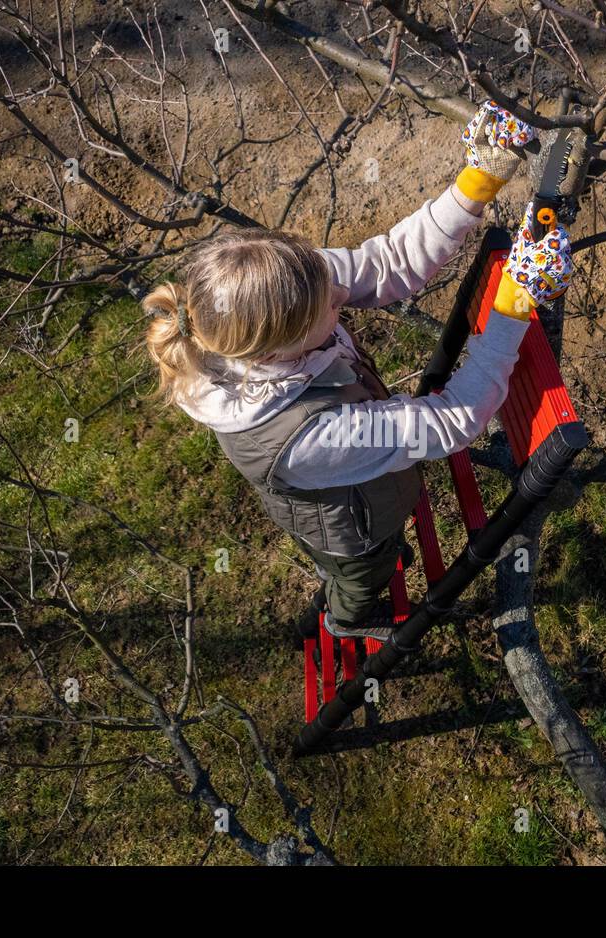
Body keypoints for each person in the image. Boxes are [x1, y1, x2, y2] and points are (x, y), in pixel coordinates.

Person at [143, 101, 573, 644]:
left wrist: (476, 183)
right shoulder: (301, 438)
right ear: (284, 350)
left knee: (364, 548)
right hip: (350, 527)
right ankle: (349, 618)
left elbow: (387, 263)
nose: (343, 295)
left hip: (358, 481)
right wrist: (511, 309)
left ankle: (349, 585)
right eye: (332, 307)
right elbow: (452, 422)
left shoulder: (282, 292)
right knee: (363, 569)